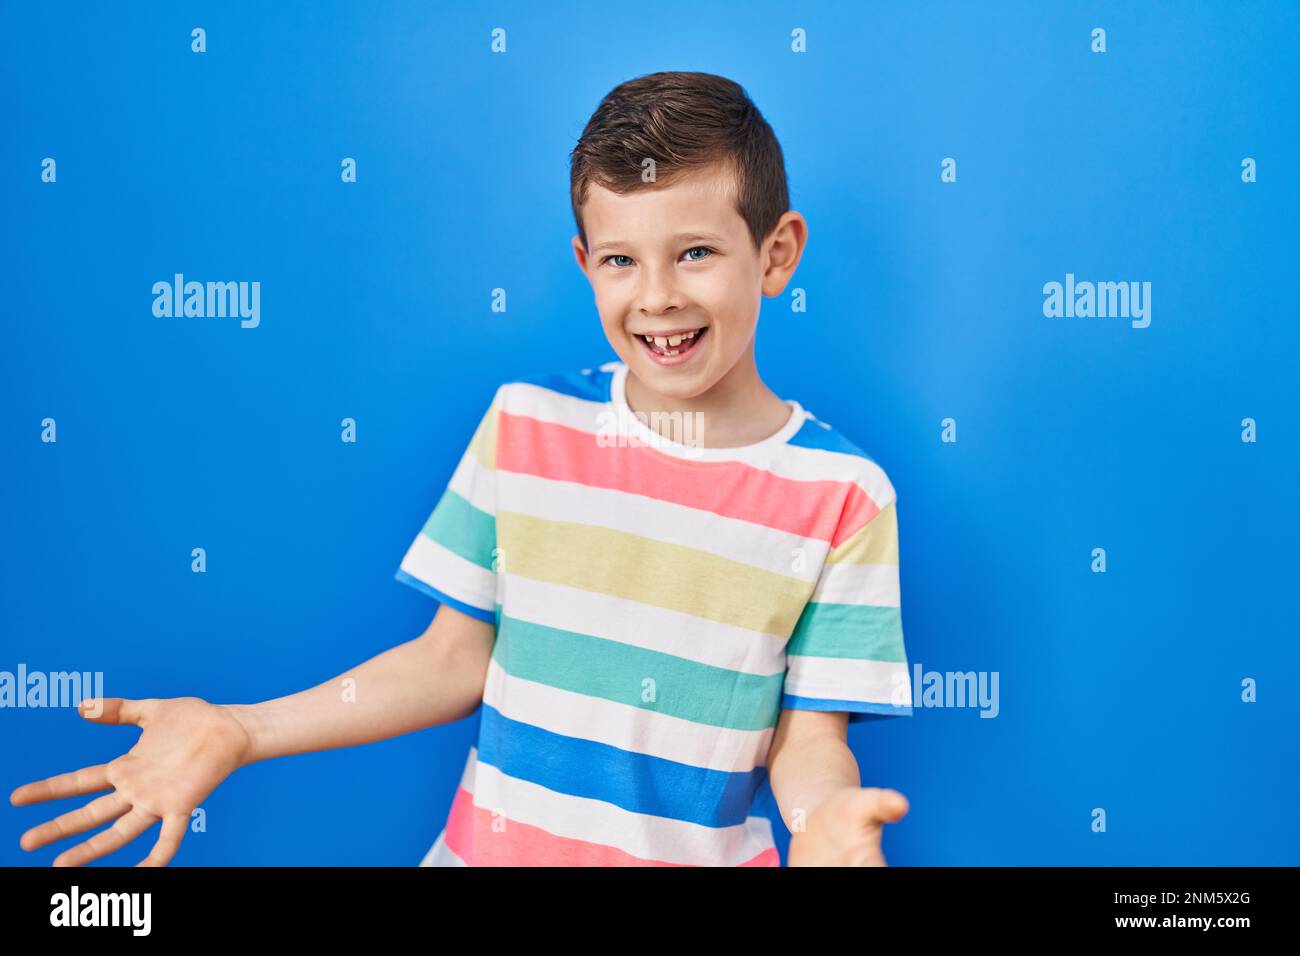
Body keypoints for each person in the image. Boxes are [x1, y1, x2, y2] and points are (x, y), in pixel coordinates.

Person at [10, 70, 913, 867]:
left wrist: (824, 821)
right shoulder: (525, 425)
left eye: (697, 253)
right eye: (621, 261)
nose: (658, 296)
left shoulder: (843, 496)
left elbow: (806, 740)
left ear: (777, 254)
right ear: (584, 265)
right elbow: (452, 660)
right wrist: (242, 729)